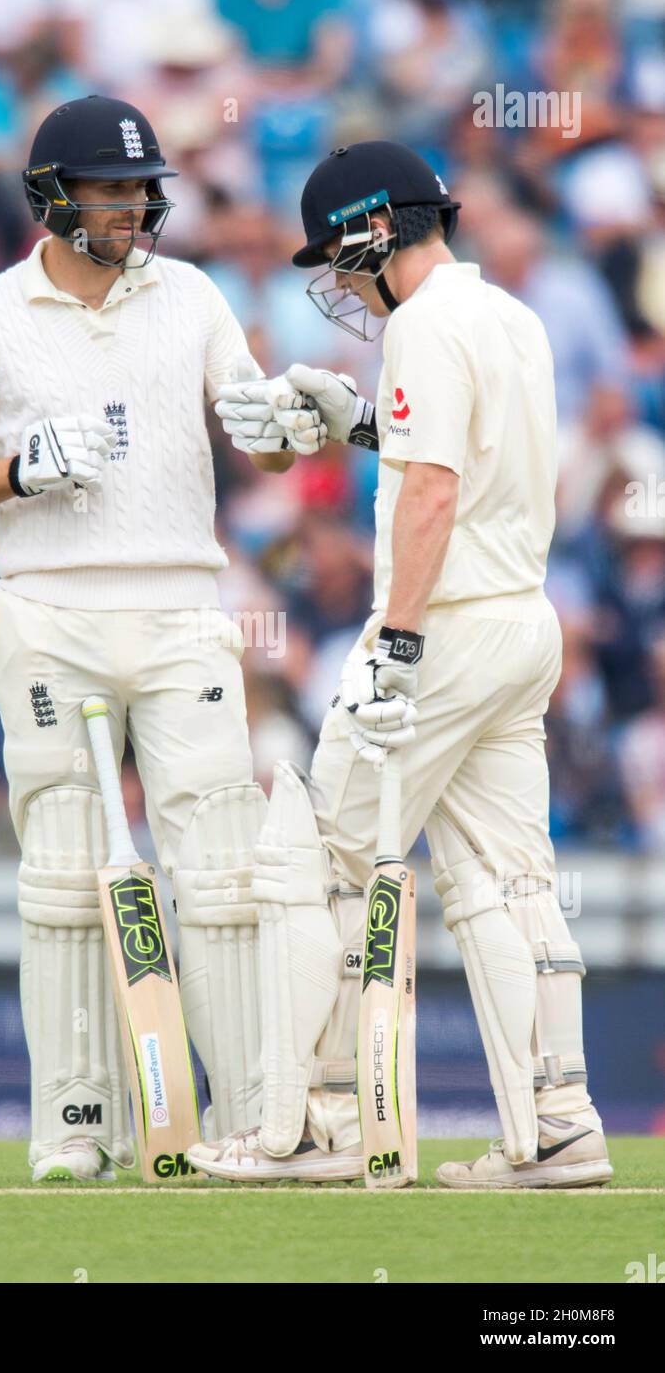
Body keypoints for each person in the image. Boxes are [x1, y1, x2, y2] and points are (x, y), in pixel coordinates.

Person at [194, 140, 613, 1188]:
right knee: (510, 879)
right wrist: (357, 423)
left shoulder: (423, 325)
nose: (336, 284)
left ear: (374, 231)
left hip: (446, 632)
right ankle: (558, 1122)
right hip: (521, 624)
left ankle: (310, 1126)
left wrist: (397, 644)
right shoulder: (507, 314)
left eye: (337, 259)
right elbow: (461, 456)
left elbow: (431, 494)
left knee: (313, 852)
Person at [0, 95, 292, 1183]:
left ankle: (252, 1117)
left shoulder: (196, 295)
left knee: (217, 869)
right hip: (48, 613)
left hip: (180, 610)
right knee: (66, 877)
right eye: (111, 188)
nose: (133, 205)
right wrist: (18, 470)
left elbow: (257, 443)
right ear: (52, 198)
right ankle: (77, 1124)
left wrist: (277, 428)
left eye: (140, 187)